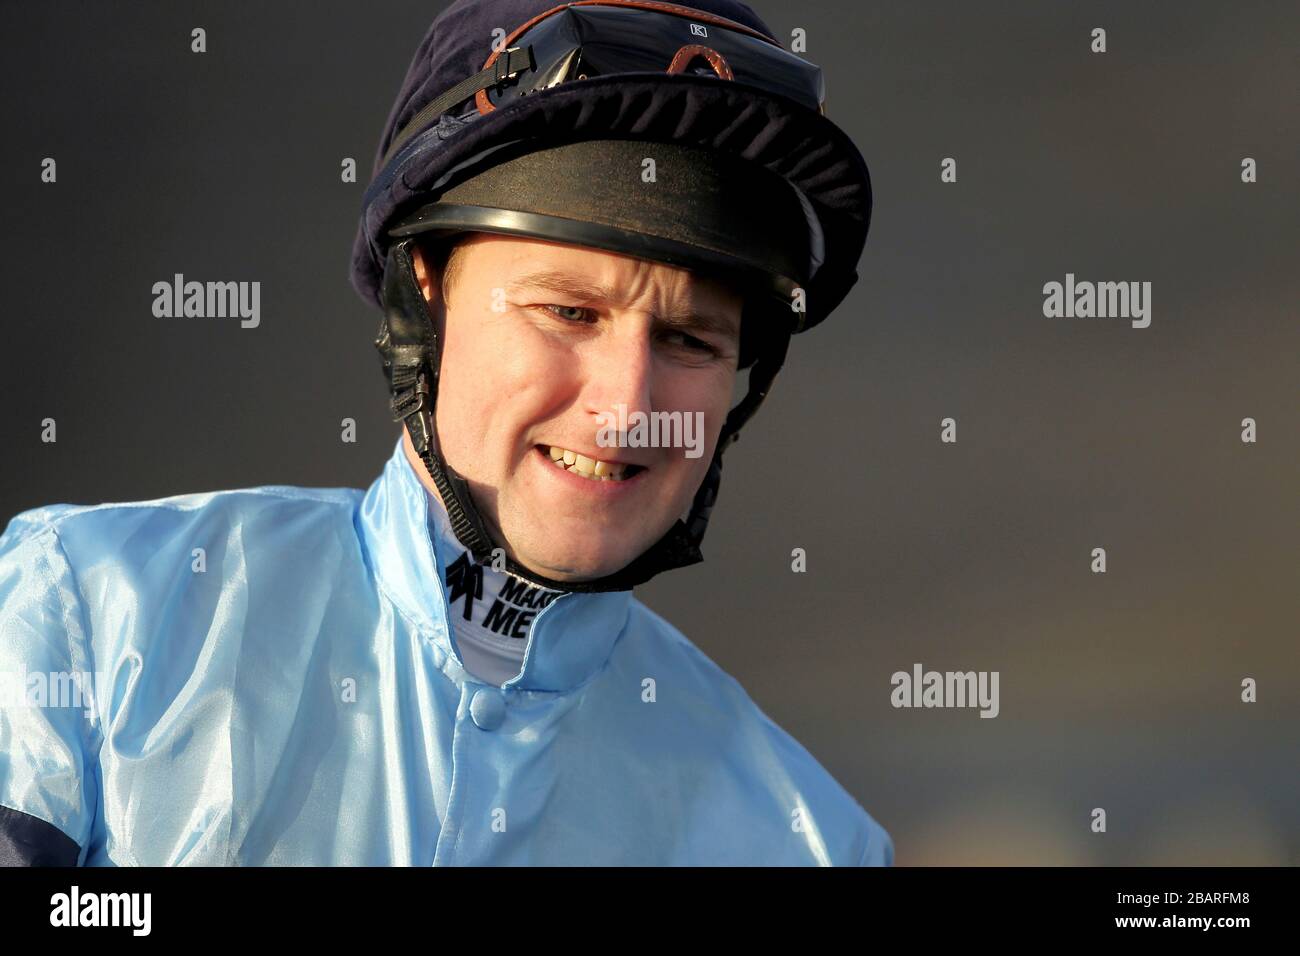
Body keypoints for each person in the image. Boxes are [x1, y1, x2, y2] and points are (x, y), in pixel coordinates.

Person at [0, 0, 892, 865]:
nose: (627, 401)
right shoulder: (87, 615)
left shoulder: (810, 841)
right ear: (424, 293)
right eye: (568, 311)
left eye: (690, 340)